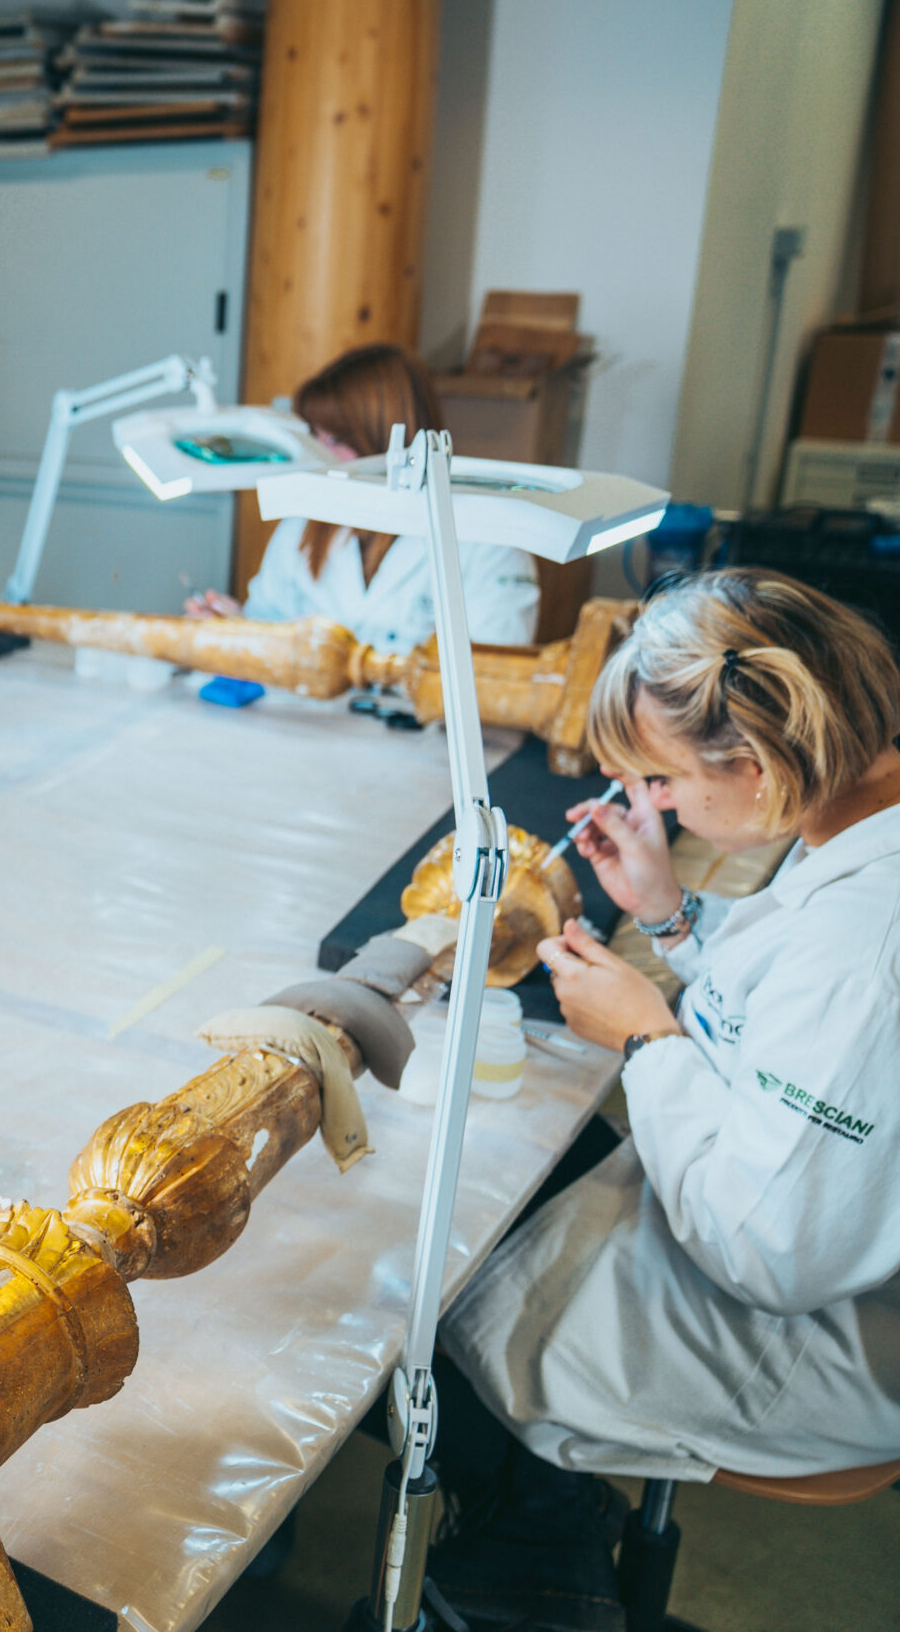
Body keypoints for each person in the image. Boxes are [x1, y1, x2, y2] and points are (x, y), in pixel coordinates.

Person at [415, 568, 900, 1628]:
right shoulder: (860, 818)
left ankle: (540, 1554)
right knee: (507, 1184)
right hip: (794, 1226)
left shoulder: (866, 946)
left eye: (664, 779)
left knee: (418, 1286)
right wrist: (671, 914)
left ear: (759, 766)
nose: (658, 803)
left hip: (811, 1333)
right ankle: (538, 1509)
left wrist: (644, 1037)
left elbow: (771, 1251)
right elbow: (782, 1025)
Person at [184, 342, 539, 651]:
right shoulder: (303, 524)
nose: (320, 455)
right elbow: (270, 623)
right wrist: (236, 628)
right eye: (315, 437)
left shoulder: (486, 543)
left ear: (389, 442)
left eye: (336, 440)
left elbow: (494, 676)